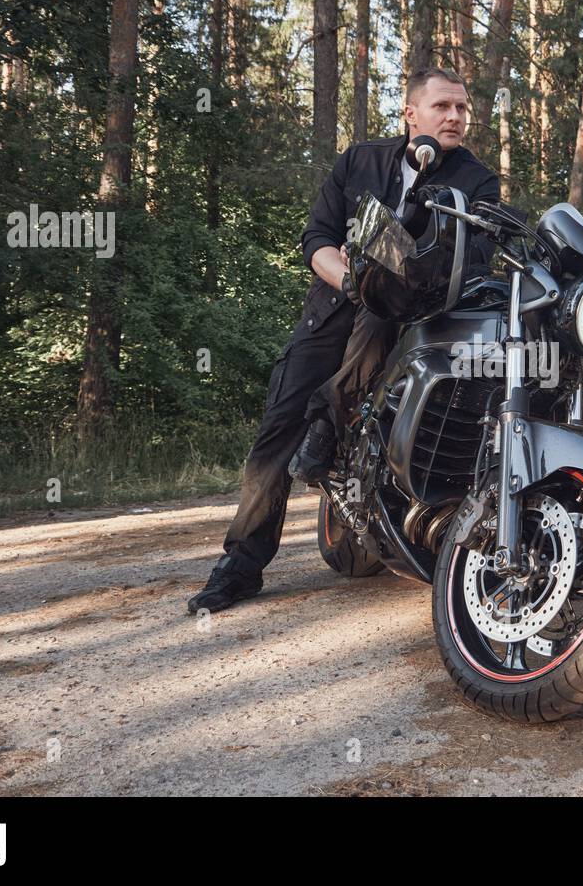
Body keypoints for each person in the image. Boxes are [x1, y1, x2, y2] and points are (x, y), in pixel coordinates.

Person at [187, 67, 501, 614]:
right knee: (277, 431)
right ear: (411, 113)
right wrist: (355, 280)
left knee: (386, 320)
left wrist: (402, 278)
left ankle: (333, 433)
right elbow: (318, 238)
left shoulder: (477, 180)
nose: (455, 117)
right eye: (442, 106)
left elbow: (475, 259)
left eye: (462, 109)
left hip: (408, 326)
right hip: (329, 316)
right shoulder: (360, 160)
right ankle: (240, 565)